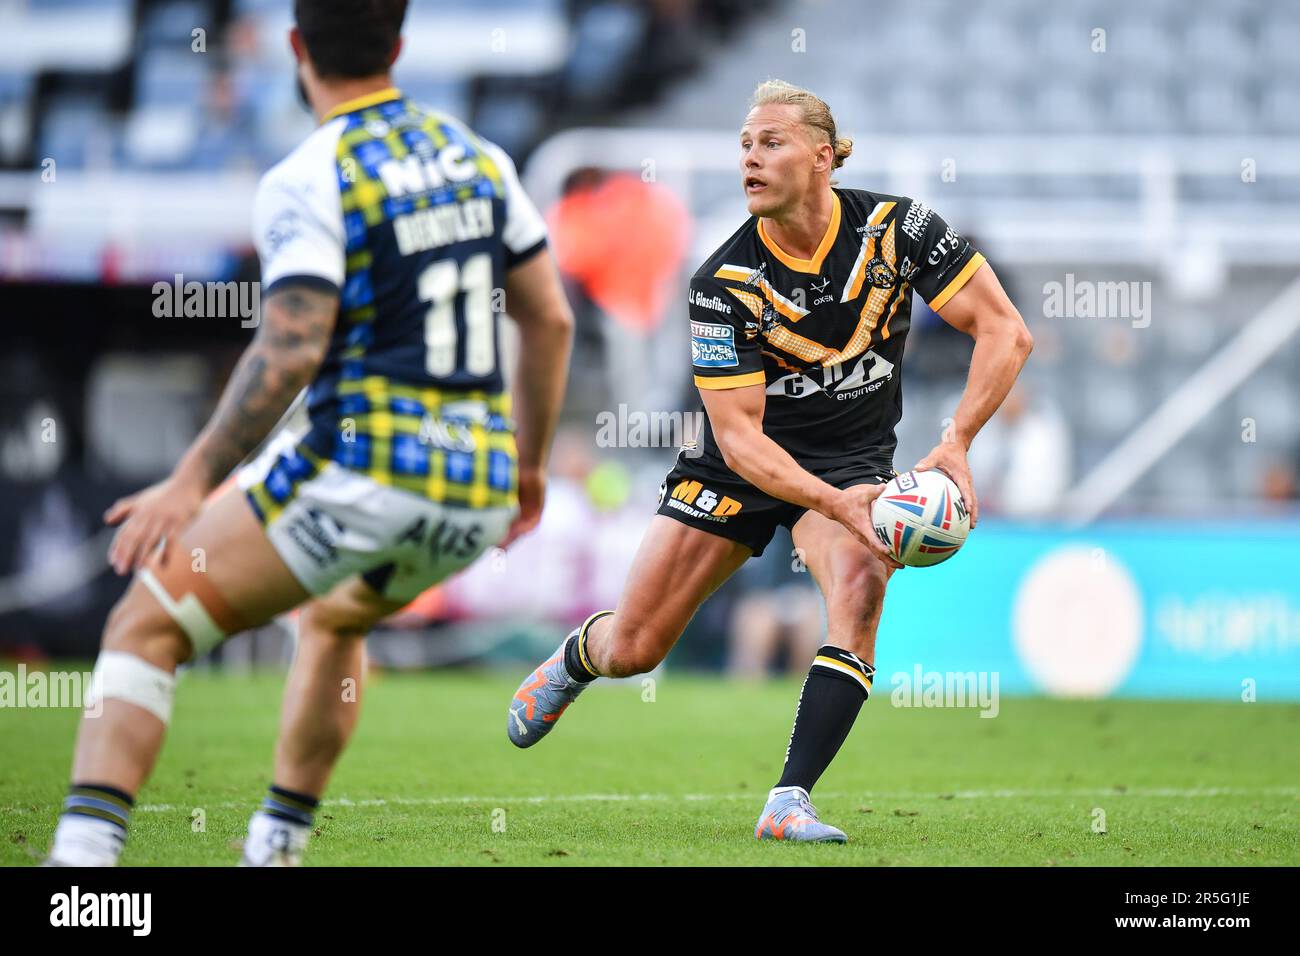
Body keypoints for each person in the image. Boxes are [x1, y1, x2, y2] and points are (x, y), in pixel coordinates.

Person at [46, 0, 573, 866]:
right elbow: (549, 318)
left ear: (296, 48)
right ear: (399, 46)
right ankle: (277, 844)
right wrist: (530, 468)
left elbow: (290, 348)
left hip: (366, 471)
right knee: (336, 619)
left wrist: (188, 481)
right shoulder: (481, 160)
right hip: (476, 489)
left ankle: (82, 864)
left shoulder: (309, 173)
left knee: (145, 625)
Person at [505, 79, 1032, 843]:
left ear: (823, 158)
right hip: (737, 467)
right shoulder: (722, 284)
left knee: (860, 592)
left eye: (771, 142)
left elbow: (1005, 331)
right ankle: (579, 658)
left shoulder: (900, 229)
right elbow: (744, 439)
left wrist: (955, 442)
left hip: (854, 456)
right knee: (638, 646)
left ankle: (788, 801)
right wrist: (840, 504)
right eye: (745, 145)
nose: (751, 157)